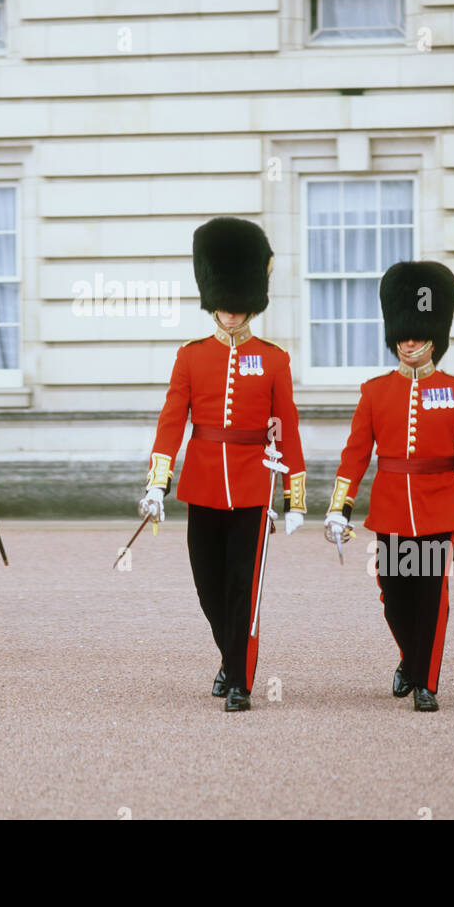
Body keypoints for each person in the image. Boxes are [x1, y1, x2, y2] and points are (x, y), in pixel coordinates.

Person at [139, 217, 306, 713]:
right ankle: (229, 659)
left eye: (237, 307)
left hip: (254, 487)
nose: (230, 315)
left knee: (242, 589)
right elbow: (172, 423)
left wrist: (295, 496)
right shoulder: (190, 358)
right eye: (223, 306)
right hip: (203, 484)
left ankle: (240, 680)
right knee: (208, 586)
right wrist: (157, 482)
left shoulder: (274, 360)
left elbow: (288, 426)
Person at [324, 260, 454, 713]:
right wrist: (338, 507)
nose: (410, 341)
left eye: (418, 333)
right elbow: (355, 454)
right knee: (393, 594)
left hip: (439, 507)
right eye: (404, 334)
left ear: (434, 337)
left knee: (431, 596)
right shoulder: (374, 392)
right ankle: (410, 658)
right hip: (389, 509)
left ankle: (426, 681)